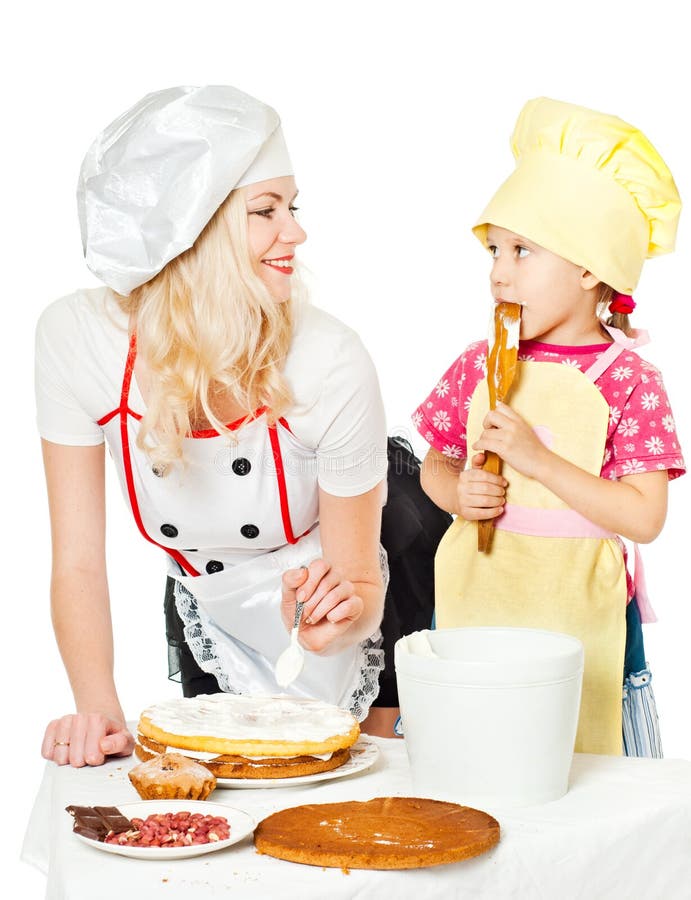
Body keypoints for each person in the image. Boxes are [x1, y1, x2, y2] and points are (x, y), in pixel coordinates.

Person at [37, 85, 391, 768]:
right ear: (189, 229)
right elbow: (77, 562)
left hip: (382, 568)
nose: (296, 231)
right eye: (265, 211)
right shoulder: (79, 341)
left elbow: (361, 583)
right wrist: (100, 711)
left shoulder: (330, 359)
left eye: (292, 207)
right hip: (208, 598)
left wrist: (341, 621)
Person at [413, 97, 686, 757]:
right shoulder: (477, 365)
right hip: (477, 596)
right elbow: (436, 460)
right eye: (494, 250)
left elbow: (644, 518)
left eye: (522, 251)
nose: (498, 271)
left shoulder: (629, 381)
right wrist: (455, 494)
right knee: (473, 748)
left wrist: (538, 461)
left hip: (575, 606)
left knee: (580, 753)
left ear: (591, 267)